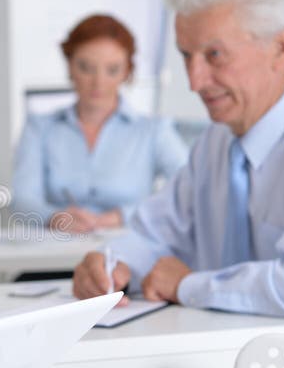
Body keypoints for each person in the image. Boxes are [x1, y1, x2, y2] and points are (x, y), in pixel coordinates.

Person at [73, 0, 284, 321]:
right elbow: (155, 233)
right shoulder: (215, 144)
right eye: (186, 57)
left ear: (280, 47)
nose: (195, 82)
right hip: (212, 359)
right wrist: (110, 262)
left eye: (214, 55)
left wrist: (189, 285)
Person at [11, 14, 188, 233]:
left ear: (127, 72)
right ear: (69, 66)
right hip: (54, 253)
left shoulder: (153, 131)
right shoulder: (39, 128)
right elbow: (22, 198)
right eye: (86, 67)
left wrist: (122, 216)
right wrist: (54, 217)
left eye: (112, 70)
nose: (98, 82)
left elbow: (187, 190)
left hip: (129, 251)